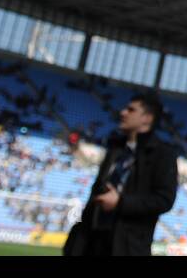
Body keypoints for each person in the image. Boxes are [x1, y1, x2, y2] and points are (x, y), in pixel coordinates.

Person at [65, 91, 178, 257]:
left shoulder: (163, 154)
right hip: (91, 241)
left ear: (147, 118)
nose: (123, 112)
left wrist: (121, 202)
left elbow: (164, 200)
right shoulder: (116, 148)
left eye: (131, 110)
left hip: (126, 247)